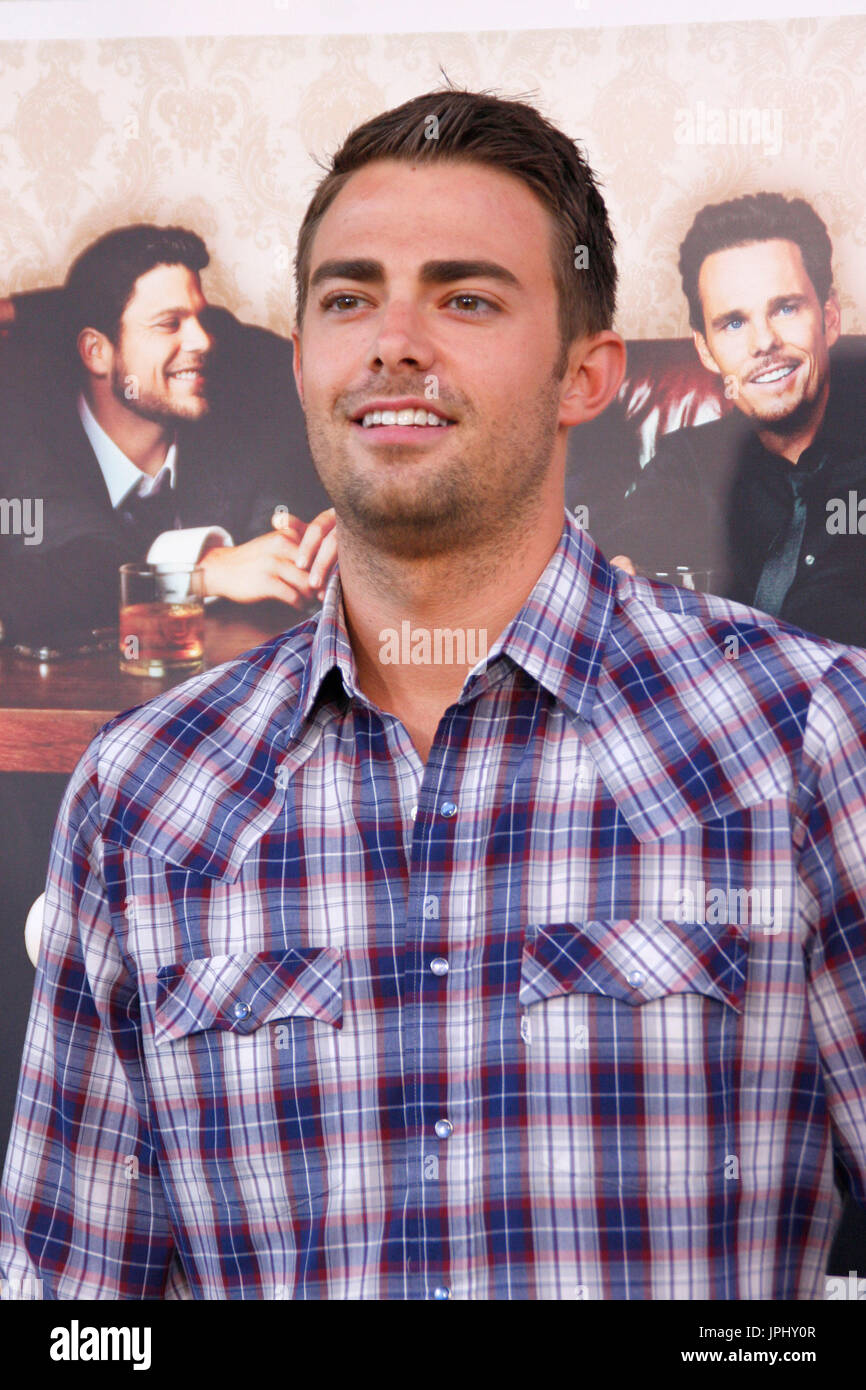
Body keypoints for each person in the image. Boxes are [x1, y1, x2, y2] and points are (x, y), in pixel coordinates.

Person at [2, 85, 866, 1301]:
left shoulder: (810, 739)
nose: (391, 340)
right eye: (348, 297)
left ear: (585, 373)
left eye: (465, 297)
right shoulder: (143, 797)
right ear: (303, 362)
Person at [0, 224, 337, 648]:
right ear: (95, 352)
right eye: (169, 324)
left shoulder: (253, 419)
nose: (202, 339)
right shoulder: (24, 439)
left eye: (200, 317)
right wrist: (203, 571)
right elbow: (48, 574)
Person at [606, 193, 866, 647]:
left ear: (828, 319)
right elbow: (627, 535)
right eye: (733, 323)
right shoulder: (691, 459)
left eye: (785, 308)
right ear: (705, 349)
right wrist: (616, 561)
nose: (764, 342)